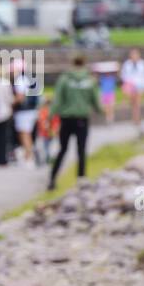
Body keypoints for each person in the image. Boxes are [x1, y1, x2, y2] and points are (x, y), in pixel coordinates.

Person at [48, 54, 101, 191]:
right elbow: (95, 101)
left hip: (66, 119)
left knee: (62, 149)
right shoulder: (90, 80)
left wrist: (51, 115)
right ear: (84, 63)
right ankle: (81, 181)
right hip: (82, 119)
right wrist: (101, 111)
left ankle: (52, 179)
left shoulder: (64, 79)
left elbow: (58, 100)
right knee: (81, 151)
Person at [10, 58, 40, 167]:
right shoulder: (28, 78)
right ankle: (29, 156)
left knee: (25, 135)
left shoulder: (20, 80)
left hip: (24, 111)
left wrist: (10, 104)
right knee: (27, 134)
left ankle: (29, 158)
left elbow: (20, 97)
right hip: (30, 110)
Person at [120, 48, 144, 135]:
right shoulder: (127, 64)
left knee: (137, 104)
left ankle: (137, 120)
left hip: (140, 86)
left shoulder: (143, 64)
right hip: (131, 86)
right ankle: (135, 119)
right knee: (133, 104)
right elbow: (124, 75)